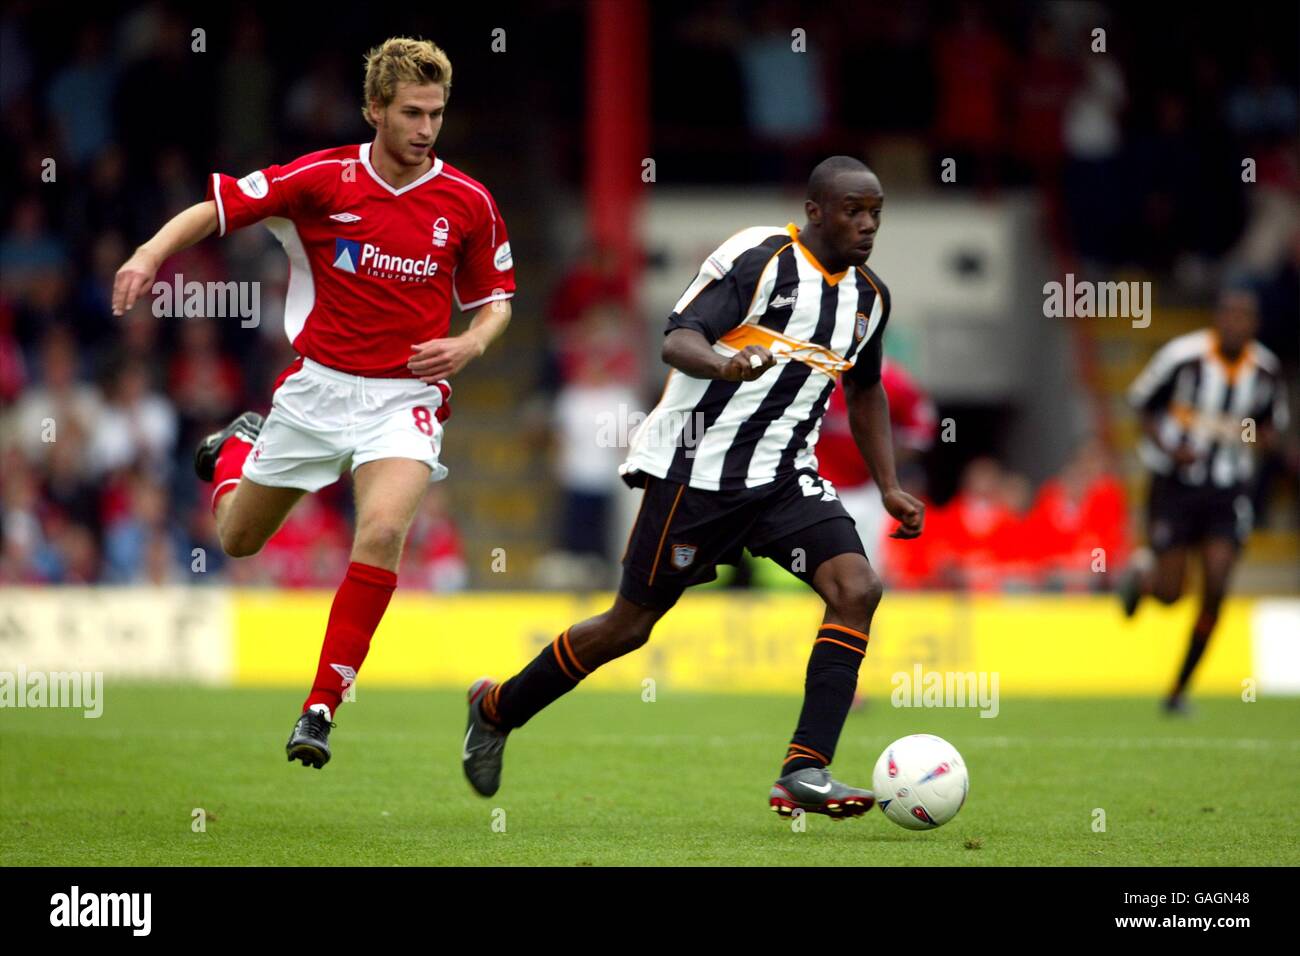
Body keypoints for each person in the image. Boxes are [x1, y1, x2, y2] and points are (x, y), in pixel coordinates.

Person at [462, 156, 925, 819]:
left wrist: (888, 485)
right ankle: (497, 708)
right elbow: (678, 338)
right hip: (697, 475)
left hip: (785, 480)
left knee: (858, 588)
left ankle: (805, 768)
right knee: (628, 627)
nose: (868, 224)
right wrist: (725, 364)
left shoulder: (869, 299)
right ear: (816, 211)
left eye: (876, 212)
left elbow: (866, 386)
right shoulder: (760, 258)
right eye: (854, 210)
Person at [111, 37, 516, 767]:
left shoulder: (468, 201)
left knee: (384, 531)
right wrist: (148, 253)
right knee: (237, 538)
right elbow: (215, 207)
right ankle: (238, 446)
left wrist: (471, 343)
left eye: (437, 113)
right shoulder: (322, 179)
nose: (426, 129)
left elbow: (497, 302)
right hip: (318, 389)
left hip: (406, 396)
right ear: (374, 110)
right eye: (411, 113)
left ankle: (321, 708)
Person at [1119, 287, 1287, 713]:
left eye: (1244, 316)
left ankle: (1178, 690)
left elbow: (1268, 426)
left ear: (1255, 324)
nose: (1235, 323)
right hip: (1176, 484)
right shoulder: (1183, 357)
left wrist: (1261, 440)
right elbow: (1141, 404)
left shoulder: (1265, 370)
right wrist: (1169, 447)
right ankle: (1144, 577)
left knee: (1216, 584)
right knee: (1172, 594)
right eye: (1228, 314)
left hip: (1228, 490)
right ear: (1217, 318)